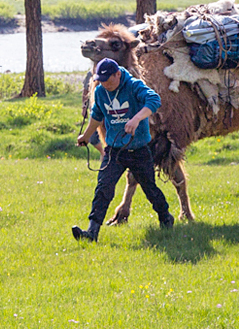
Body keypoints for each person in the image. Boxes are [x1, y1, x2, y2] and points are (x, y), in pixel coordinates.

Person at [72, 58, 173, 241]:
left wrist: (136, 119)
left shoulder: (134, 86)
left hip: (138, 150)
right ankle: (92, 232)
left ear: (117, 74)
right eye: (101, 80)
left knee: (150, 189)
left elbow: (154, 100)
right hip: (114, 150)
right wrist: (86, 136)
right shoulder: (101, 91)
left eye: (108, 80)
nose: (105, 84)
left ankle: (165, 217)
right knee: (103, 187)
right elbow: (97, 115)